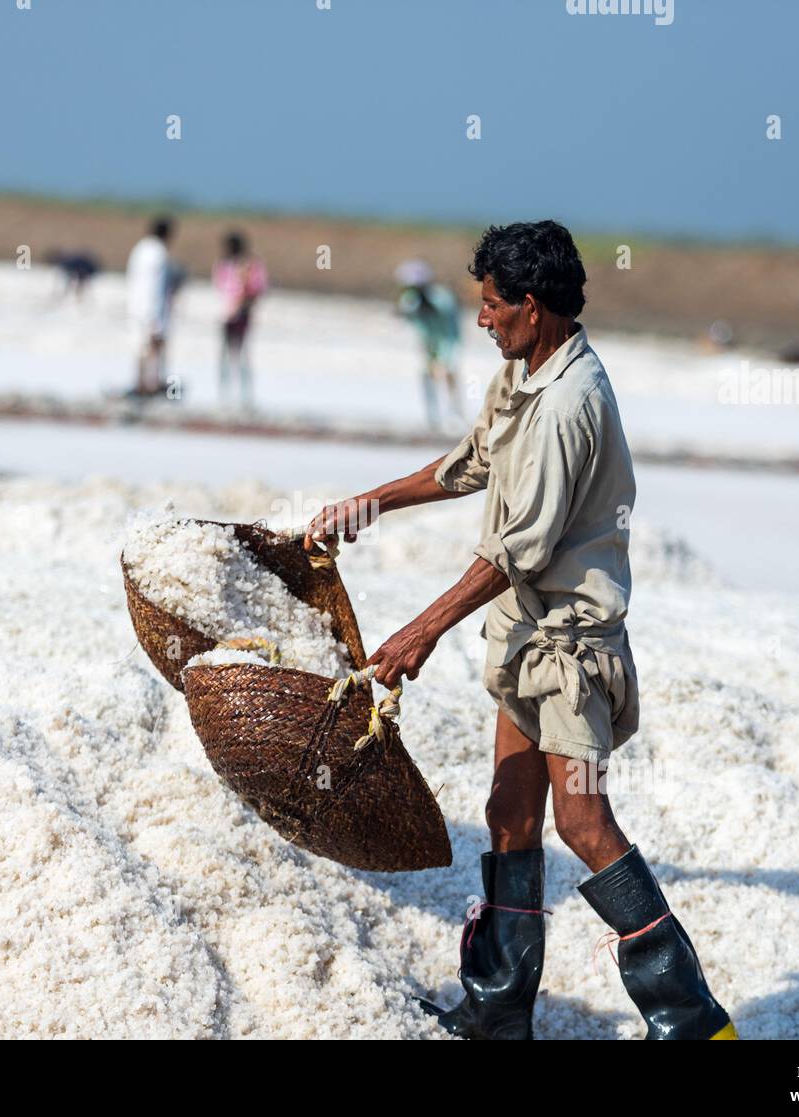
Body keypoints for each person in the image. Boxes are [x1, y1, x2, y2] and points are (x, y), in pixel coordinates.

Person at [303, 220, 736, 1042]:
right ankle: (500, 1007)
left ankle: (694, 1024)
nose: (481, 320)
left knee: (582, 822)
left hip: (570, 647)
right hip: (521, 636)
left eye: (493, 305)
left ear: (533, 308)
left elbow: (520, 548)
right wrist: (366, 505)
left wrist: (419, 632)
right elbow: (467, 463)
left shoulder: (573, 400)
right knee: (509, 811)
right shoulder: (523, 372)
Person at [394, 259, 466, 431]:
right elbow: (405, 314)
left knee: (448, 374)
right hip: (428, 343)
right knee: (427, 375)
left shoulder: (441, 297)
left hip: (448, 341)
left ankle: (455, 414)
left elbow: (449, 319)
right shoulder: (411, 299)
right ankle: (433, 417)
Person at [125, 216, 183, 397]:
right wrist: (154, 316)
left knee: (140, 348)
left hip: (136, 306)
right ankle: (152, 387)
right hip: (152, 309)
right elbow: (154, 287)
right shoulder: (158, 253)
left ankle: (140, 385)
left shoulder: (140, 248)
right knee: (154, 349)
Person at [212, 231, 268, 410]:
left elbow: (259, 289)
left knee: (242, 355)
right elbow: (220, 288)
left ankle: (245, 398)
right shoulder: (224, 265)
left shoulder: (250, 265)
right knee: (225, 356)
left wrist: (244, 302)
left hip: (242, 314)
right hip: (226, 314)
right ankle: (224, 397)